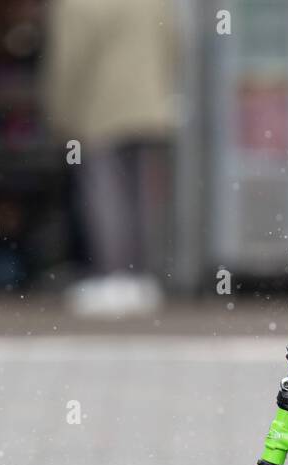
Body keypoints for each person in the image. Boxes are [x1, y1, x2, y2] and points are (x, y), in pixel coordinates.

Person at [43, 0, 183, 316]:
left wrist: (59, 113)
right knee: (144, 196)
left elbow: (68, 62)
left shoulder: (75, 6)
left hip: (99, 108)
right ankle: (141, 276)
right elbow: (174, 46)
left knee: (105, 194)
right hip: (150, 106)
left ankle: (113, 275)